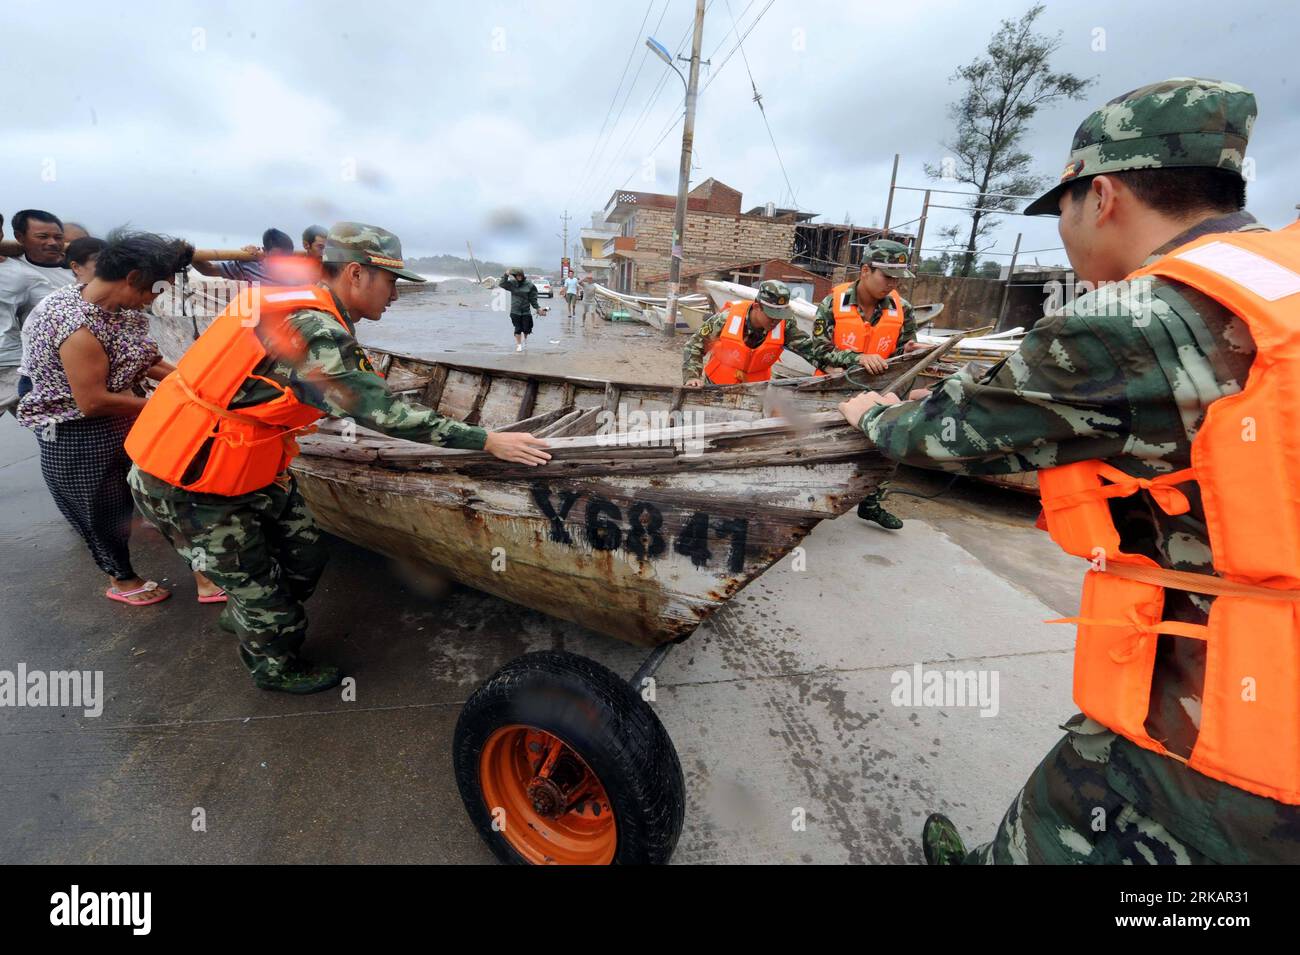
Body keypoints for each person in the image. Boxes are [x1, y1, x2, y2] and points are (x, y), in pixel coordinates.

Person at [840, 78, 1300, 864]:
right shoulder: (1280, 273)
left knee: (1063, 828)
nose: (1063, 229)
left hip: (1233, 710)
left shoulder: (1138, 321)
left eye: (1061, 207)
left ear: (1104, 196)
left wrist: (873, 416)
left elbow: (955, 430)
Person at [126, 223, 550, 694]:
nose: (394, 296)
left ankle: (247, 612)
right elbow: (386, 415)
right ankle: (275, 666)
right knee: (269, 601)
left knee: (304, 552)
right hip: (187, 477)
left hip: (248, 463)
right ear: (355, 273)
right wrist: (486, 440)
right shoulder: (314, 328)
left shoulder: (298, 301)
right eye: (390, 284)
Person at [17, 230, 224, 606]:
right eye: (156, 289)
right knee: (102, 510)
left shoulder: (121, 309)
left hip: (123, 409)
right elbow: (93, 401)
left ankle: (206, 576)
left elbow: (148, 359)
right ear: (132, 278)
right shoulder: (73, 324)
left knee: (169, 492)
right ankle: (123, 580)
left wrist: (196, 383)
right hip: (74, 428)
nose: (156, 298)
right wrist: (180, 404)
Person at [813, 239, 926, 529]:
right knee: (822, 448)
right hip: (833, 389)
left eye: (897, 278)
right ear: (865, 270)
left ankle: (871, 503)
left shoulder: (904, 310)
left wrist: (911, 350)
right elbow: (817, 349)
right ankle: (811, 502)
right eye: (886, 276)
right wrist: (857, 357)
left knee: (884, 445)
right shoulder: (833, 303)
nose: (892, 284)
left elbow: (903, 351)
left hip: (880, 390)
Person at [681, 279, 872, 387]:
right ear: (757, 306)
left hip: (757, 390)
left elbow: (809, 350)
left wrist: (829, 366)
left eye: (780, 315)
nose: (775, 321)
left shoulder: (785, 325)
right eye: (771, 315)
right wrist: (692, 376)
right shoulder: (726, 319)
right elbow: (694, 346)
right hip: (716, 384)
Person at [0, 210, 74, 417]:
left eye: (58, 237)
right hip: (23, 362)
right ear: (19, 237)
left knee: (49, 426)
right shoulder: (21, 271)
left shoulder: (78, 269)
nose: (52, 243)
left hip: (14, 364)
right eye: (42, 236)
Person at [17, 236, 106, 401]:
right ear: (76, 267)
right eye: (100, 264)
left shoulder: (95, 300)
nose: (109, 270)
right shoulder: (64, 306)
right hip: (43, 386)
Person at [190, 227, 314, 286]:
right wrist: (187, 252)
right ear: (265, 251)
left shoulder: (298, 273)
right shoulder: (250, 266)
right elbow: (208, 270)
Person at [500, 267, 545, 351]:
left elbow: (533, 299)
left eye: (520, 275)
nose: (519, 277)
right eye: (517, 275)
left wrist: (538, 308)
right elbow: (502, 284)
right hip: (515, 311)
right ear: (515, 276)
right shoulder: (512, 283)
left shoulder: (529, 285)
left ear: (523, 275)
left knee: (526, 329)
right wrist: (506, 275)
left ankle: (524, 340)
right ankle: (519, 345)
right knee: (517, 328)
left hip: (526, 311)